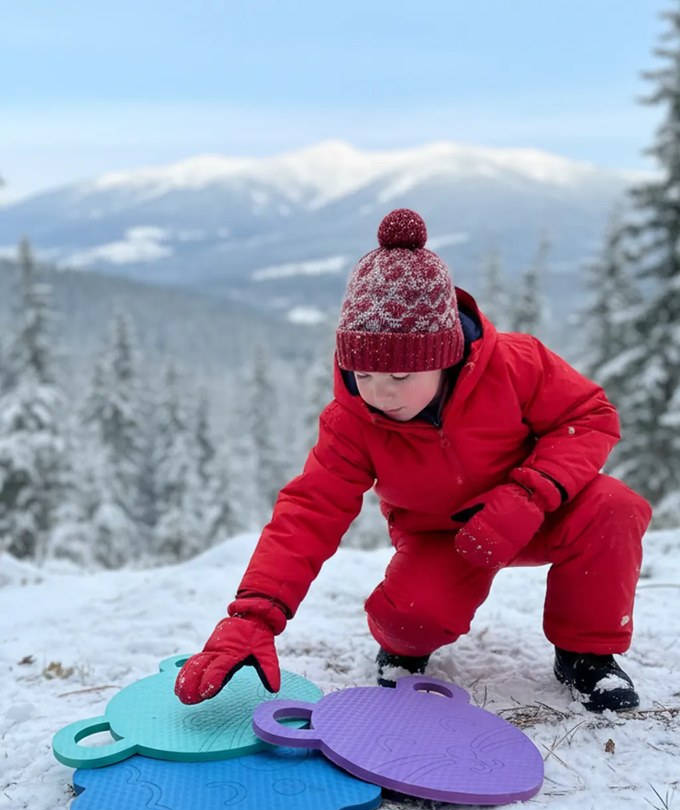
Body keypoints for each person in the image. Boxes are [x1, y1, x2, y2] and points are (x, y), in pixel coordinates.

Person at [175, 208, 652, 714]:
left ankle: (587, 656)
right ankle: (402, 645)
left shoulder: (516, 364)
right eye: (363, 372)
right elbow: (308, 512)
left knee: (614, 506)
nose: (380, 392)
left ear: (444, 356)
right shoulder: (353, 420)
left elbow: (590, 416)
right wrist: (254, 617)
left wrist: (530, 494)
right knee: (411, 619)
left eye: (401, 377)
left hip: (538, 511)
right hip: (442, 537)